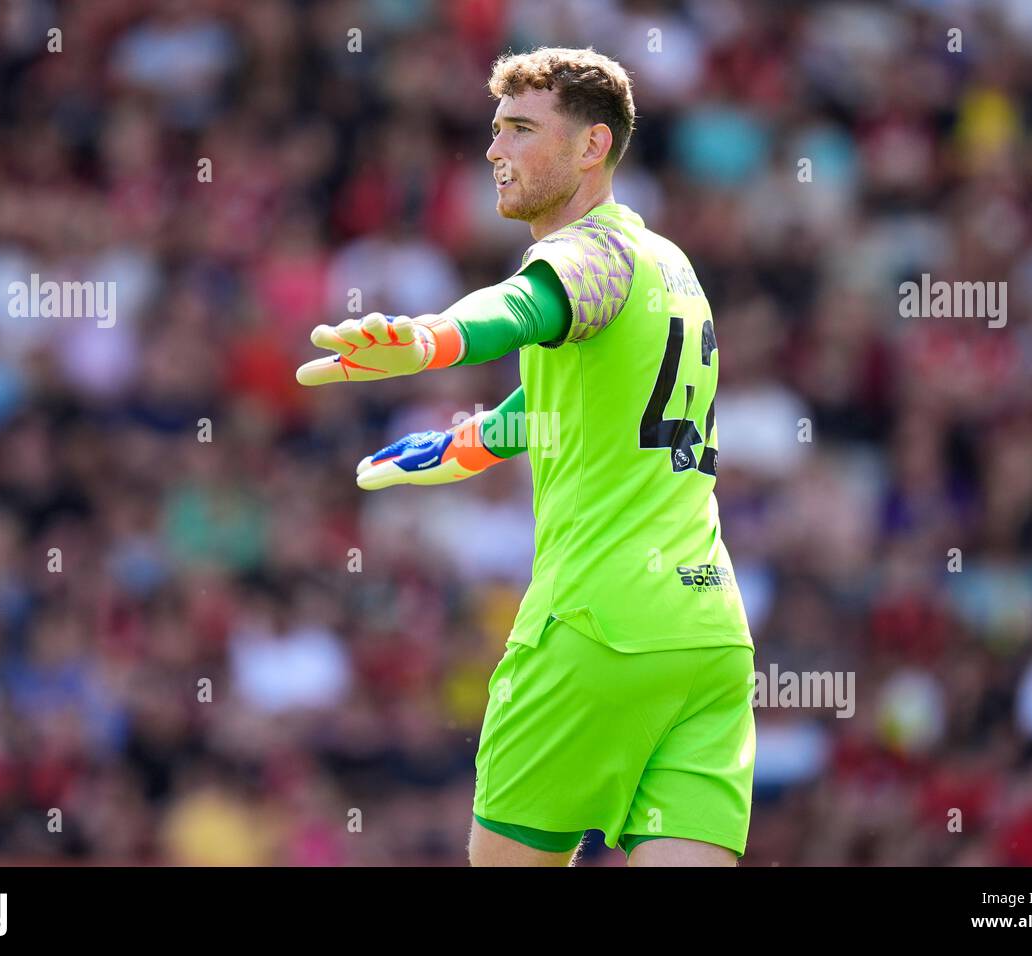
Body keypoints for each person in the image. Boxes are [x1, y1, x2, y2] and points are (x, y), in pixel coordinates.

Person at [296, 47, 755, 867]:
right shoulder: (671, 265)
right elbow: (575, 405)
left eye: (519, 130)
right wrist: (467, 443)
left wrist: (431, 339)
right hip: (707, 639)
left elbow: (522, 304)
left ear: (593, 147)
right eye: (494, 130)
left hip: (594, 627)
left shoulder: (591, 251)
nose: (493, 151)